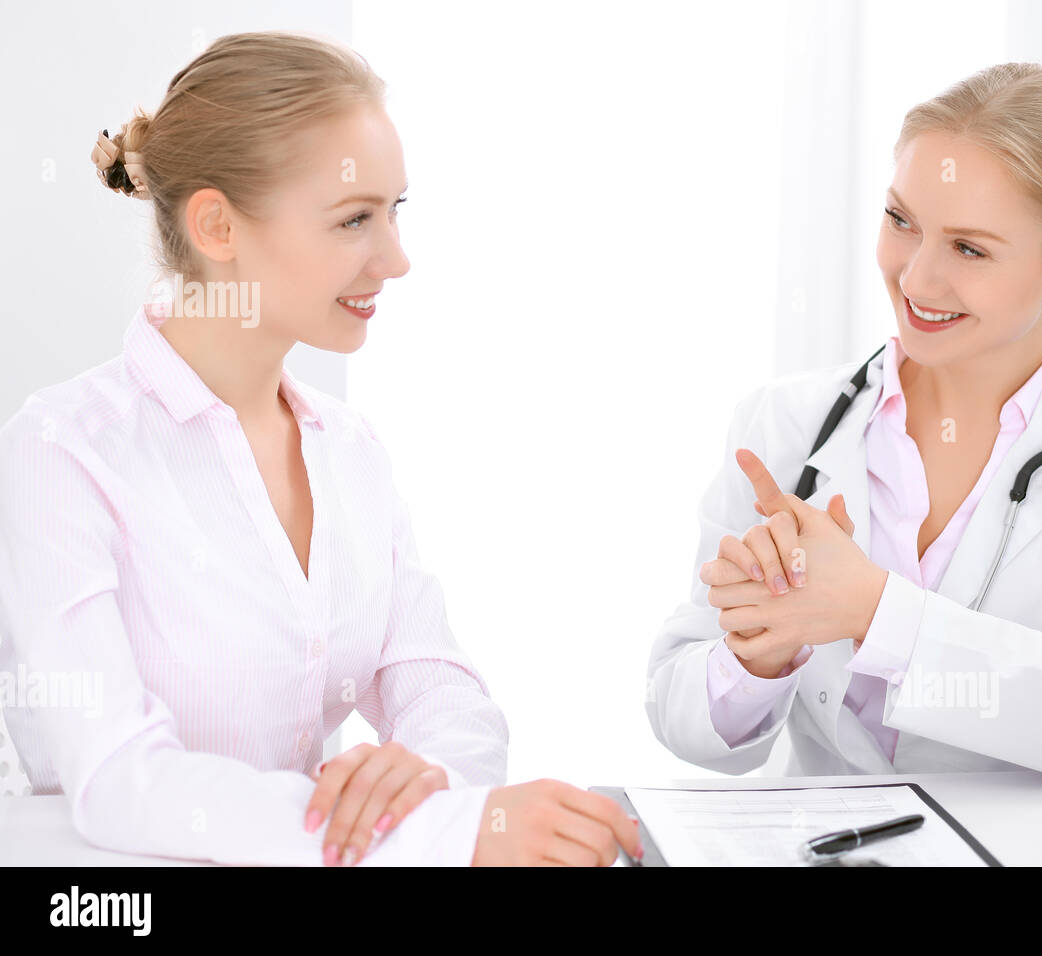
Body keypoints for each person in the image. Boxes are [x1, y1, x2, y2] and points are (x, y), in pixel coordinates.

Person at [0, 30, 639, 867]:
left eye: (396, 209)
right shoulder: (60, 454)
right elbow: (118, 777)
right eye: (354, 219)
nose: (397, 258)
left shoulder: (351, 452)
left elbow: (447, 697)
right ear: (219, 225)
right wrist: (433, 832)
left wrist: (419, 779)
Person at [646, 62, 1042, 788]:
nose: (916, 279)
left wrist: (872, 609)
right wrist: (757, 653)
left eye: (969, 248)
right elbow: (683, 720)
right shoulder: (783, 425)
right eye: (901, 222)